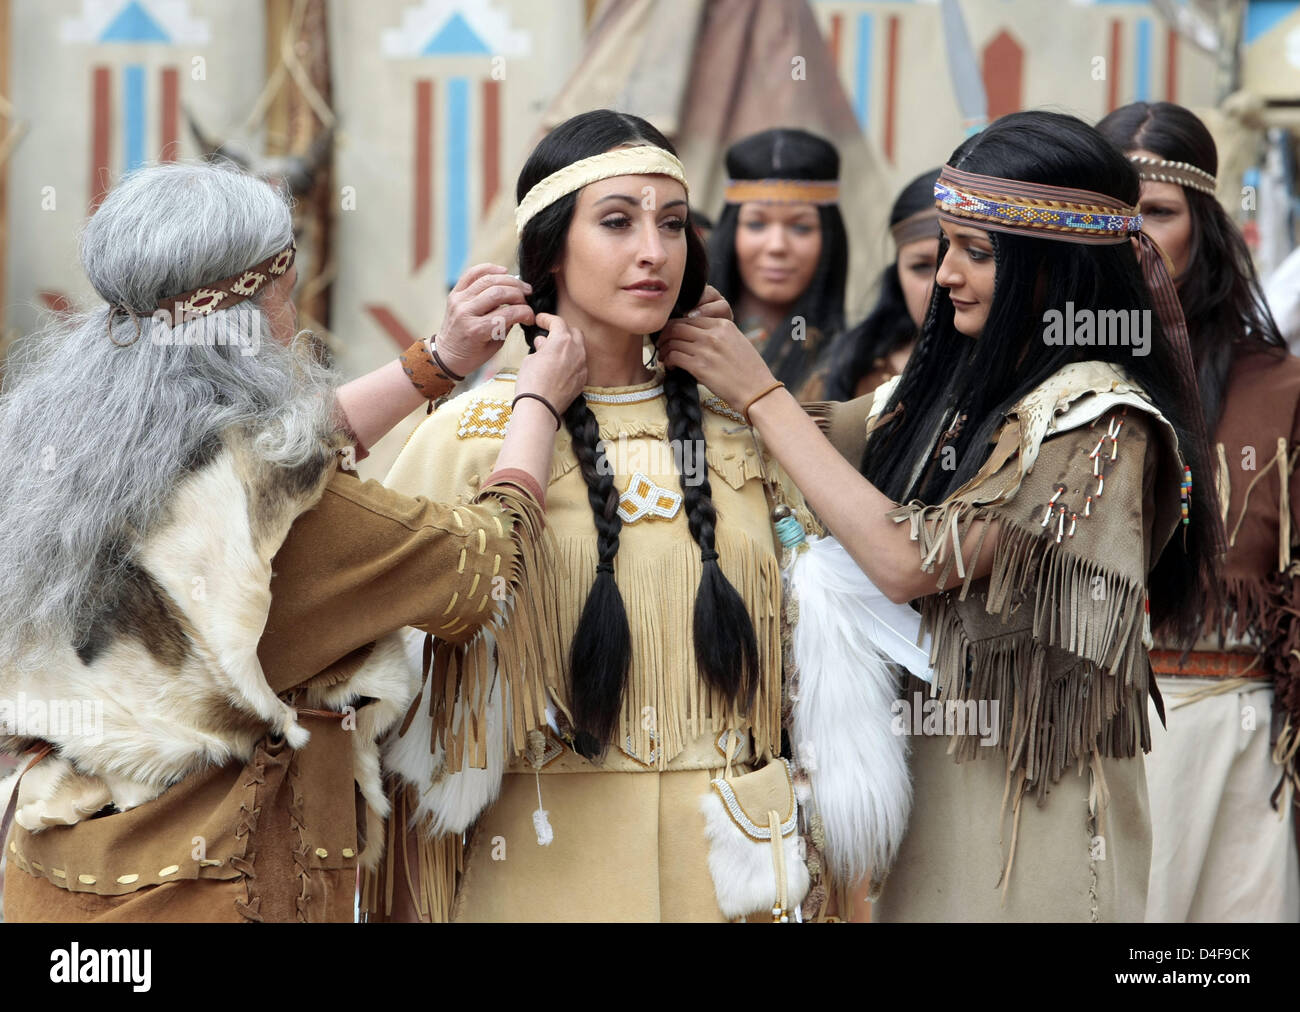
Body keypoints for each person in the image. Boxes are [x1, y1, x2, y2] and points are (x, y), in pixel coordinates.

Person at [660, 110, 1222, 921]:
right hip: (926, 787)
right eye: (945, 247)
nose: (945, 275)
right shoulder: (957, 396)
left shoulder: (1105, 420)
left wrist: (757, 391)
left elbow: (907, 561)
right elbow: (801, 446)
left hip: (1032, 819)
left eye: (978, 252)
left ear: (1055, 267)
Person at [0, 160, 587, 921]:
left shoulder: (57, 445)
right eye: (286, 290)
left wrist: (433, 365)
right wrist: (537, 404)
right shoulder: (292, 518)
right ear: (254, 309)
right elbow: (485, 566)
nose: (296, 314)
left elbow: (275, 461)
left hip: (53, 887)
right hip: (200, 899)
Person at [373, 109, 910, 923]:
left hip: (736, 866)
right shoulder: (471, 437)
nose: (653, 253)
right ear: (551, 249)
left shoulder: (747, 431)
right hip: (540, 863)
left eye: (671, 225)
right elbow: (393, 676)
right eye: (617, 223)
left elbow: (821, 675)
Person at [1098, 100, 1300, 922]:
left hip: (1234, 740)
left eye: (1158, 212)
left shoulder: (1280, 388)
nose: (1137, 235)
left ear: (1203, 225)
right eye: (1115, 214)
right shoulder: (1035, 382)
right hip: (1080, 741)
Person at [707, 128, 848, 401]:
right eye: (757, 224)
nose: (777, 246)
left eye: (801, 227)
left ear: (830, 239)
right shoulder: (675, 345)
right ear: (731, 230)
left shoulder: (855, 361)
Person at [820, 168, 941, 401]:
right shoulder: (856, 365)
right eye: (922, 267)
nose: (944, 280)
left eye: (976, 255)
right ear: (897, 274)